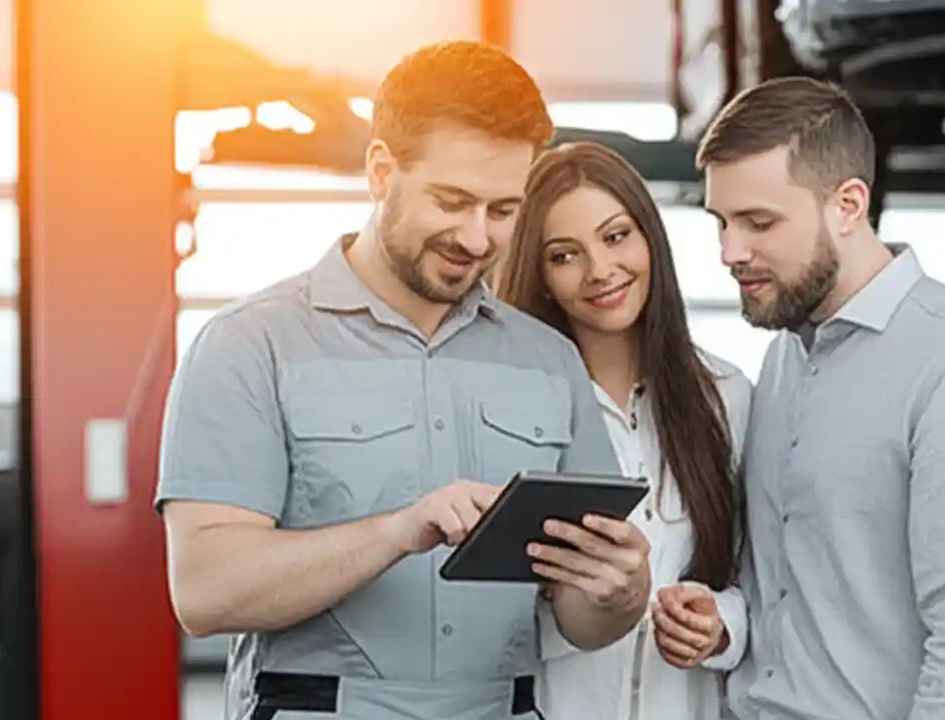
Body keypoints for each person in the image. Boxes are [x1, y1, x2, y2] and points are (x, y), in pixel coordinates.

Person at [155, 41, 653, 720]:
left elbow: (578, 620)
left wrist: (618, 593)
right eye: (452, 201)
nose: (477, 238)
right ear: (381, 171)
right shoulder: (250, 346)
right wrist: (399, 531)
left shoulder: (548, 359)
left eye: (503, 211)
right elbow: (206, 594)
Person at [698, 76, 945, 719]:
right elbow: (788, 588)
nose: (729, 252)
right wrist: (725, 622)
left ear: (848, 205)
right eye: (720, 222)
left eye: (758, 222)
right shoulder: (785, 355)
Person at [494, 142, 752, 719]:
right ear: (538, 274)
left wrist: (721, 626)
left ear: (649, 238)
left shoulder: (727, 395)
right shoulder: (510, 405)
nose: (600, 271)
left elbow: (763, 584)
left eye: (616, 237)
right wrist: (580, 610)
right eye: (564, 256)